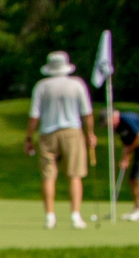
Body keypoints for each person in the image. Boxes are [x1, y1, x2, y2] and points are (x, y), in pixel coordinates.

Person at [26, 50, 96, 230]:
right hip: (72, 132)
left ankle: (50, 216)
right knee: (74, 175)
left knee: (48, 176)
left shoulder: (41, 86)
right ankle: (75, 216)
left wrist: (28, 137)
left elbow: (34, 116)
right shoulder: (77, 84)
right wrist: (90, 134)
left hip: (47, 133)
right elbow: (87, 113)